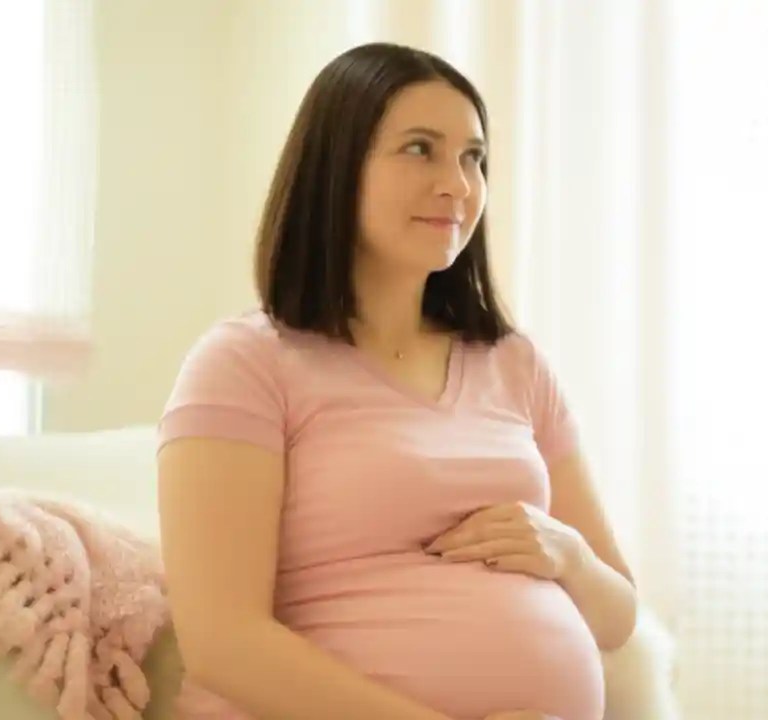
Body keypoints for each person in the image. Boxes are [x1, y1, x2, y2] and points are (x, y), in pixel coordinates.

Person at [156, 42, 637, 720]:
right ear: (337, 169)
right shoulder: (244, 364)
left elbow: (618, 618)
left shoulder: (515, 364)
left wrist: (568, 555)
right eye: (420, 149)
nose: (458, 184)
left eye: (473, 157)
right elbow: (223, 643)